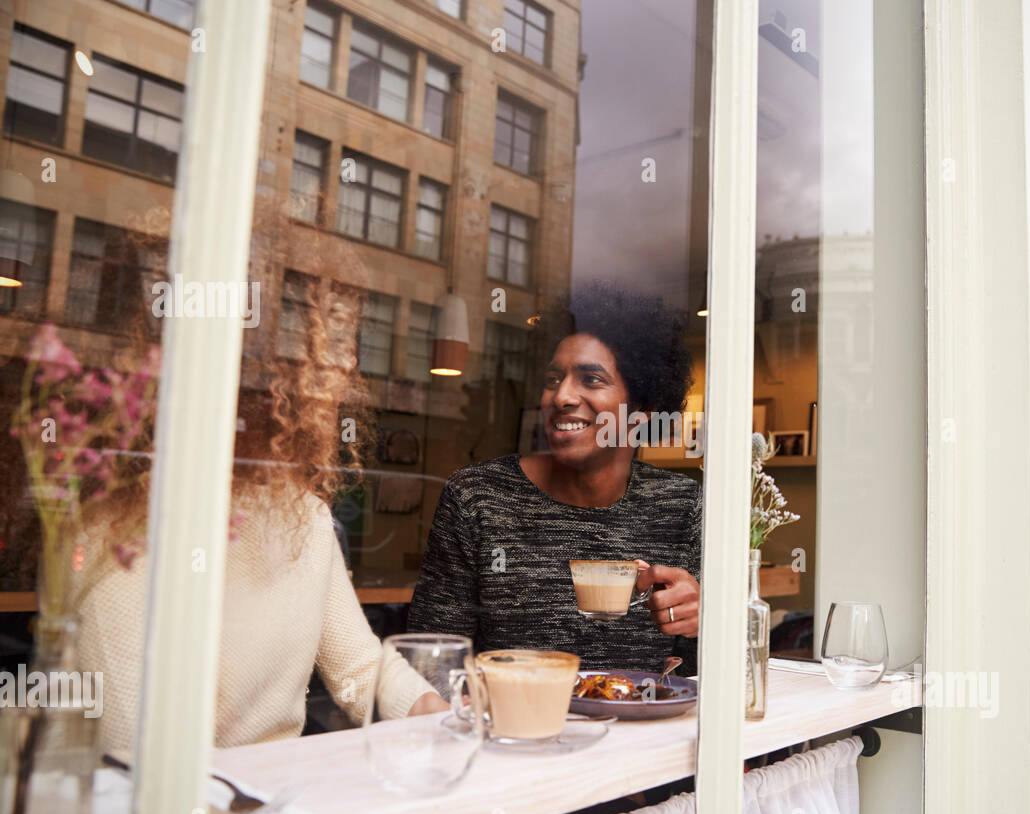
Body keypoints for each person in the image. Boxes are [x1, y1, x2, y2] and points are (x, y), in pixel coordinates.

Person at [69, 207, 440, 754]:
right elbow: (130, 739)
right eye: (330, 341)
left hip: (272, 801)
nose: (351, 366)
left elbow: (359, 668)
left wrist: (441, 711)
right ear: (267, 368)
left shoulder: (304, 514)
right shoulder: (122, 521)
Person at [407, 283, 702, 674]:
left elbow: (706, 682)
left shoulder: (680, 506)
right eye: (552, 378)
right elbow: (431, 667)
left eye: (591, 379)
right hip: (516, 730)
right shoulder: (478, 499)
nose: (560, 396)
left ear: (644, 408)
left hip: (647, 734)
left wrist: (708, 624)